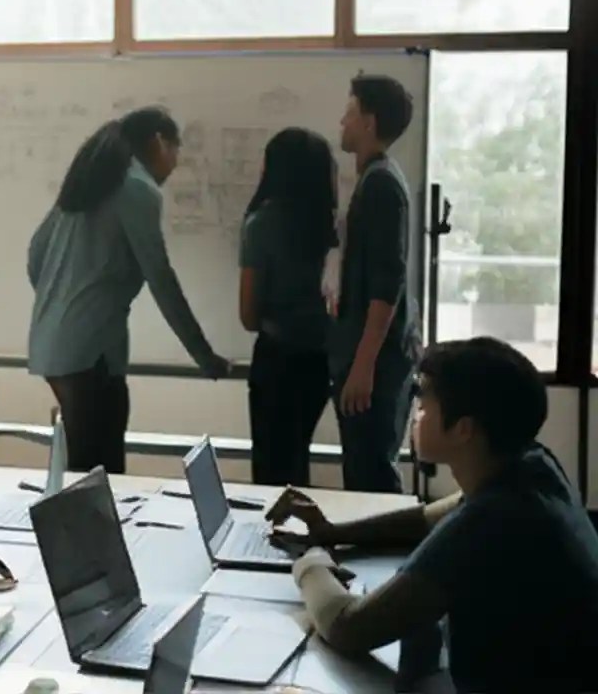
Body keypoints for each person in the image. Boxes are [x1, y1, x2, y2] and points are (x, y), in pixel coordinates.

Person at [268, 338, 598, 693]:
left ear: (464, 429)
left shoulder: (492, 521)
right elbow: (426, 518)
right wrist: (333, 533)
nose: (415, 415)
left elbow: (347, 627)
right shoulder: (532, 464)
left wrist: (310, 561)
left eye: (423, 403)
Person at [27, 106, 229, 474]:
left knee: (84, 462)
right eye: (176, 150)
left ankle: (82, 513)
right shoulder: (137, 188)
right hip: (91, 350)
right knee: (101, 467)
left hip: (51, 344)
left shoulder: (90, 183)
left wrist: (60, 300)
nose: (176, 162)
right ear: (159, 142)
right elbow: (161, 278)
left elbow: (35, 255)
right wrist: (204, 355)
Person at [331, 75, 421, 493]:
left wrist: (363, 365)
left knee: (372, 480)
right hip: (372, 355)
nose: (342, 122)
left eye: (349, 113)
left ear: (368, 122)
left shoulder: (381, 183)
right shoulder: (375, 178)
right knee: (364, 472)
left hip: (377, 363)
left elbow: (389, 284)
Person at [239, 128, 338, 487]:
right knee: (296, 460)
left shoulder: (261, 224)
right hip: (320, 360)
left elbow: (248, 315)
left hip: (276, 359)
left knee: (271, 470)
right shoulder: (330, 225)